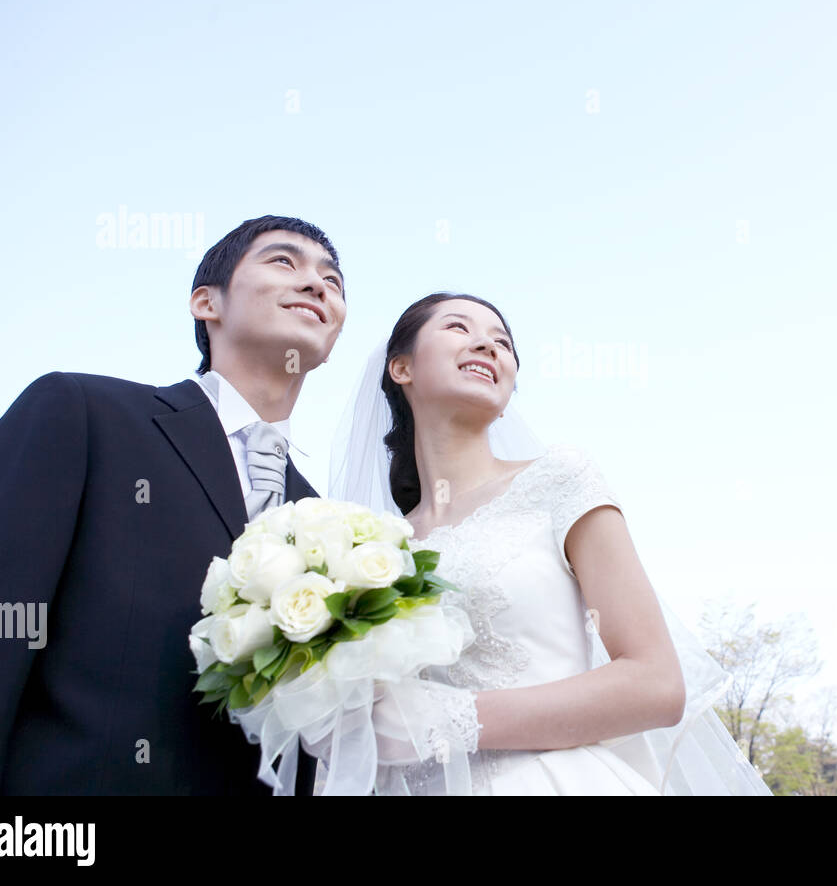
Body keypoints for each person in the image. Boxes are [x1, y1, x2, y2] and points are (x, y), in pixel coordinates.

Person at [0, 214, 345, 794]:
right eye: (284, 262)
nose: (316, 285)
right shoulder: (84, 413)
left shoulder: (323, 521)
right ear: (206, 302)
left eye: (332, 281)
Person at [328, 292, 772, 794]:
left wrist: (451, 720)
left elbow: (658, 686)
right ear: (401, 367)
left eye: (503, 342)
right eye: (458, 327)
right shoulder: (375, 553)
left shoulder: (558, 480)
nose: (487, 345)